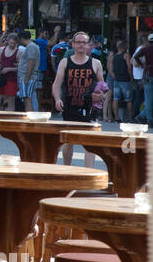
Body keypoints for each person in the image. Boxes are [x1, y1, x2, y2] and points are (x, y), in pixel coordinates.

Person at [53, 31, 104, 166]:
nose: (81, 45)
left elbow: (102, 86)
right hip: (70, 105)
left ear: (88, 46)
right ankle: (67, 170)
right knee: (68, 141)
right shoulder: (65, 62)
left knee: (90, 143)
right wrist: (58, 99)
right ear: (73, 45)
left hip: (90, 108)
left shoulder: (96, 63)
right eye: (78, 42)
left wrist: (101, 96)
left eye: (84, 42)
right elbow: (56, 84)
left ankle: (89, 173)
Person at [16, 29, 41, 113]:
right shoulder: (32, 46)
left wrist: (26, 78)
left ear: (21, 38)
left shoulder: (31, 46)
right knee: (27, 98)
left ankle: (29, 116)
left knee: (27, 98)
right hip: (27, 76)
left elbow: (31, 62)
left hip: (27, 77)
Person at [109, 39, 133, 123]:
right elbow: (129, 67)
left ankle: (117, 118)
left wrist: (115, 76)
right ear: (125, 47)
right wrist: (131, 77)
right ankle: (130, 118)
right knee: (128, 100)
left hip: (117, 81)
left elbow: (110, 69)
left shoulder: (114, 56)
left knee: (115, 99)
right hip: (125, 80)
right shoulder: (126, 55)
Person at [0, 32, 19, 110]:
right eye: (11, 43)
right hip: (2, 77)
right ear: (8, 41)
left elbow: (20, 68)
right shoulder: (2, 50)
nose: (13, 45)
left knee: (10, 101)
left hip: (12, 79)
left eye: (14, 43)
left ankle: (10, 120)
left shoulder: (19, 52)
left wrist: (9, 69)